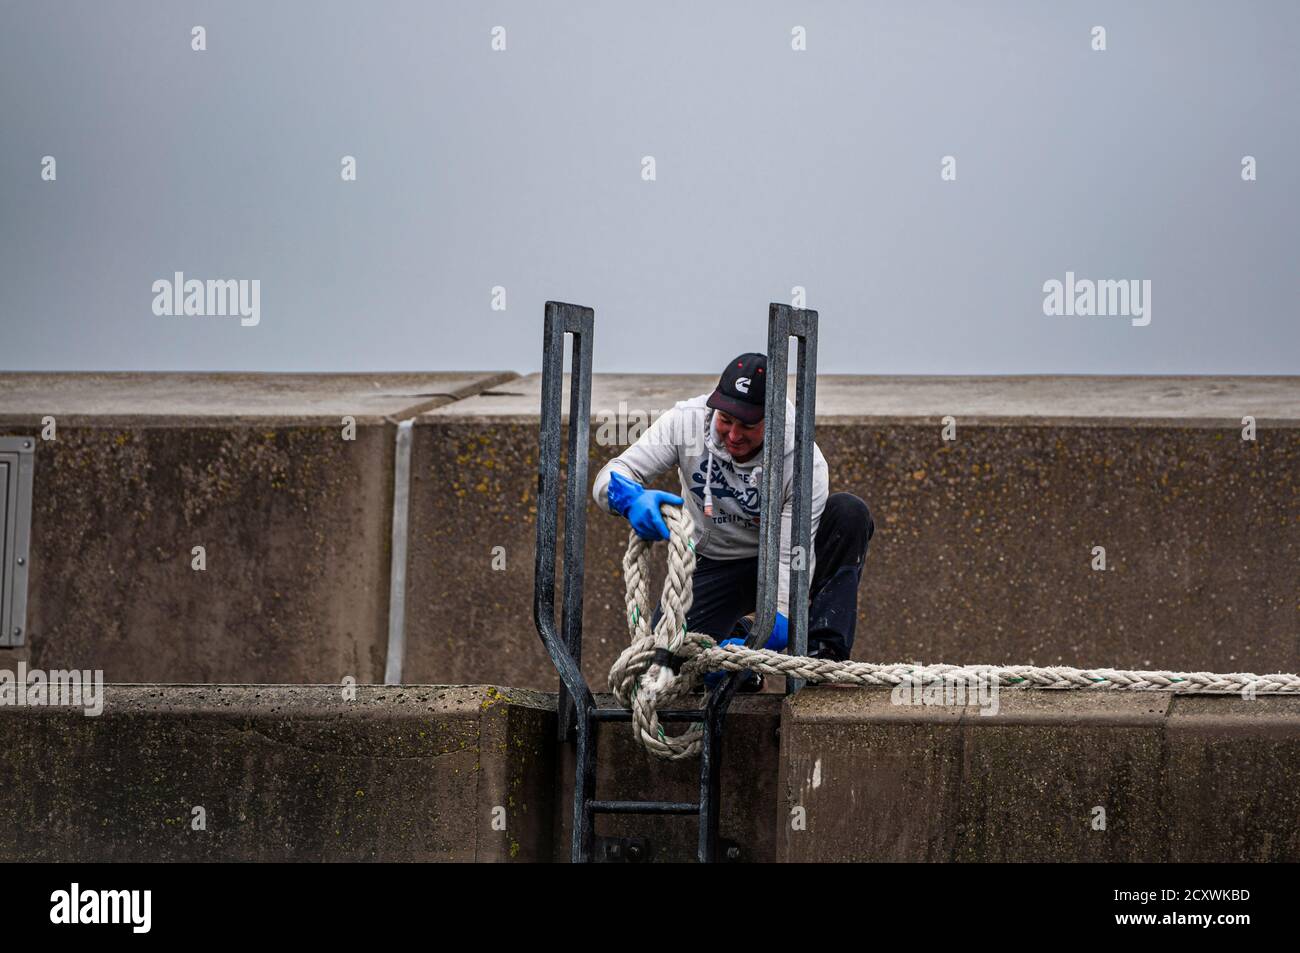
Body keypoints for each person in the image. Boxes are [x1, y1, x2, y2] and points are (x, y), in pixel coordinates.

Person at [592, 352, 874, 690]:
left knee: (848, 513)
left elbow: (788, 565)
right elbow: (611, 474)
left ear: (772, 421)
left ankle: (823, 654)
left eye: (748, 426)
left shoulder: (802, 462)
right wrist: (630, 499)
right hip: (716, 560)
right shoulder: (687, 422)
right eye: (727, 419)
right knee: (668, 668)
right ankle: (738, 654)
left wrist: (762, 641)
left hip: (784, 559)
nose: (734, 435)